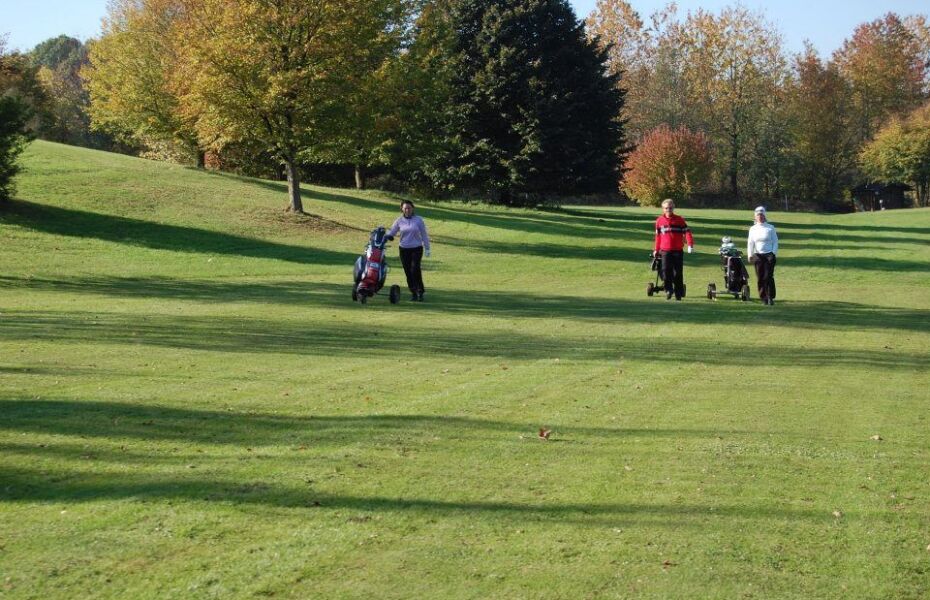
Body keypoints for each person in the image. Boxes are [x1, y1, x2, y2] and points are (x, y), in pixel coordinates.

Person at [387, 200, 431, 301]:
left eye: (409, 208)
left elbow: (424, 234)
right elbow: (392, 232)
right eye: (405, 208)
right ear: (402, 209)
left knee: (415, 269)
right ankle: (413, 292)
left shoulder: (418, 220)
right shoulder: (399, 220)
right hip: (404, 249)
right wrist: (386, 236)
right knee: (408, 271)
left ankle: (420, 291)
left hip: (417, 248)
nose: (407, 210)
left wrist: (427, 248)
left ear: (413, 208)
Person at [653, 198, 694, 301]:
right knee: (666, 271)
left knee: (678, 272)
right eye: (666, 208)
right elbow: (658, 237)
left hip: (677, 251)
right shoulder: (659, 221)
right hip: (665, 251)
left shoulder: (679, 220)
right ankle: (668, 290)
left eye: (670, 208)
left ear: (673, 208)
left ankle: (678, 293)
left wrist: (690, 245)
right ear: (663, 209)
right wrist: (656, 250)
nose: (668, 210)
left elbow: (687, 232)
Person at [747, 206, 778, 305]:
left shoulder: (770, 228)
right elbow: (750, 243)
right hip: (758, 255)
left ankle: (770, 297)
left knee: (768, 276)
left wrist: (773, 253)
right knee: (760, 277)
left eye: (761, 215)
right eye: (758, 215)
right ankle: (763, 297)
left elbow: (775, 241)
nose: (760, 217)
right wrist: (750, 254)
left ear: (764, 216)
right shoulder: (753, 229)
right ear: (755, 217)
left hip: (769, 255)